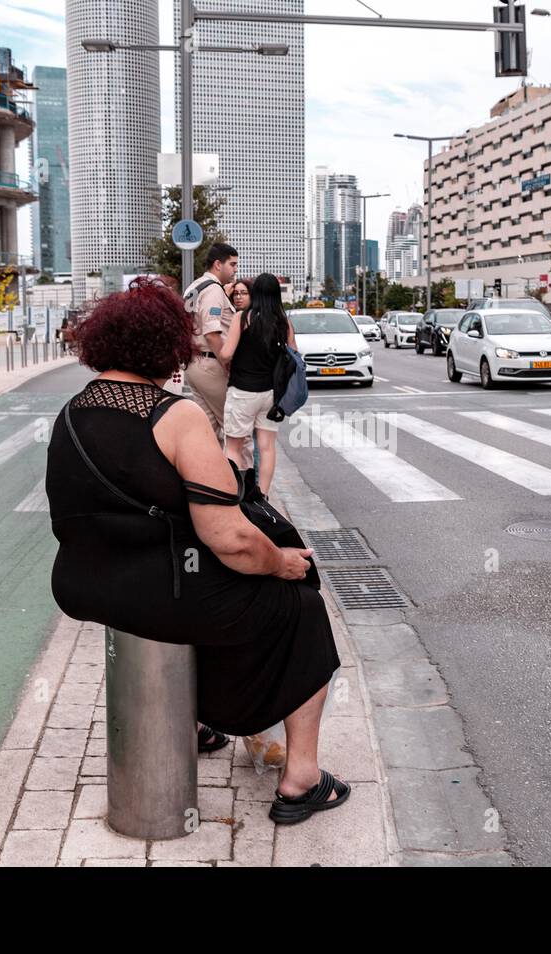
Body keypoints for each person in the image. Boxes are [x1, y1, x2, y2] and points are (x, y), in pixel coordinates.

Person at [46, 279, 348, 824]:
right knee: (299, 606)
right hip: (163, 591)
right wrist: (280, 563)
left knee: (216, 598)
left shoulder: (70, 413)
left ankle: (202, 719)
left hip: (84, 585)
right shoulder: (175, 415)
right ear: (165, 348)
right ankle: (302, 778)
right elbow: (229, 538)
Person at [220, 273, 296, 496]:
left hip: (242, 391)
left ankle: (233, 494)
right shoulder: (284, 323)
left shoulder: (243, 318)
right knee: (267, 448)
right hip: (270, 395)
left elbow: (225, 354)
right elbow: (294, 356)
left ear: (256, 294)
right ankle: (263, 497)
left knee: (233, 447)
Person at [182, 243, 240, 441]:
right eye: (232, 264)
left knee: (208, 430)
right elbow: (212, 333)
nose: (235, 270)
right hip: (211, 364)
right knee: (235, 429)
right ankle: (239, 472)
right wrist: (227, 363)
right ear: (218, 264)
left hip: (194, 362)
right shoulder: (213, 290)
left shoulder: (194, 286)